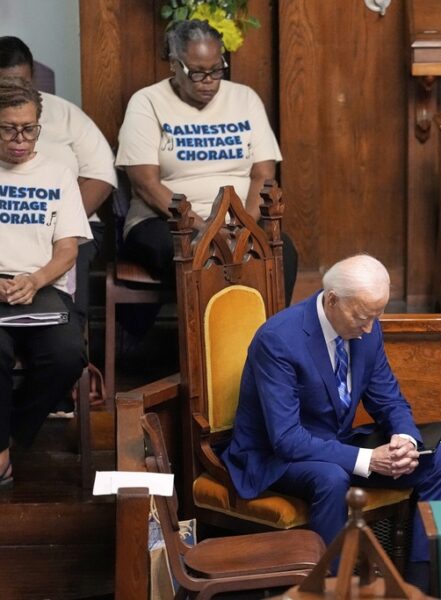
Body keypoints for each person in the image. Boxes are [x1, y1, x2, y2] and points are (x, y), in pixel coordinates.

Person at [222, 254, 441, 583]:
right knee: (331, 478)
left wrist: (404, 440)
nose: (368, 328)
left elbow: (389, 400)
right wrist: (368, 459)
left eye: (376, 317)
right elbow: (286, 439)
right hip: (273, 456)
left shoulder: (366, 330)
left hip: (333, 445)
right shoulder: (278, 340)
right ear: (333, 300)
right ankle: (333, 585)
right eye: (362, 317)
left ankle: (421, 583)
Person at [115, 19, 297, 301]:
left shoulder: (244, 98)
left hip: (240, 219)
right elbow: (146, 185)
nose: (209, 81)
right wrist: (207, 229)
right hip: (166, 222)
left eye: (216, 70)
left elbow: (263, 173)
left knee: (281, 250)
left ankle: (265, 339)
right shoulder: (147, 102)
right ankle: (207, 343)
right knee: (201, 254)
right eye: (198, 73)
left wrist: (245, 226)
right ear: (174, 64)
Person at [0, 77, 91, 488]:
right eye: (8, 128)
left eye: (29, 128)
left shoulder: (57, 173)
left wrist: (35, 280)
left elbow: (68, 250)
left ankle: (10, 436)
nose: (20, 139)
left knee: (68, 355)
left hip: (43, 285)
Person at [0, 37, 117, 329]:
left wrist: (61, 224)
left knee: (63, 332)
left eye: (22, 83)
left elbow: (102, 176)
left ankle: (71, 330)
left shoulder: (65, 114)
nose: (16, 92)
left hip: (66, 229)